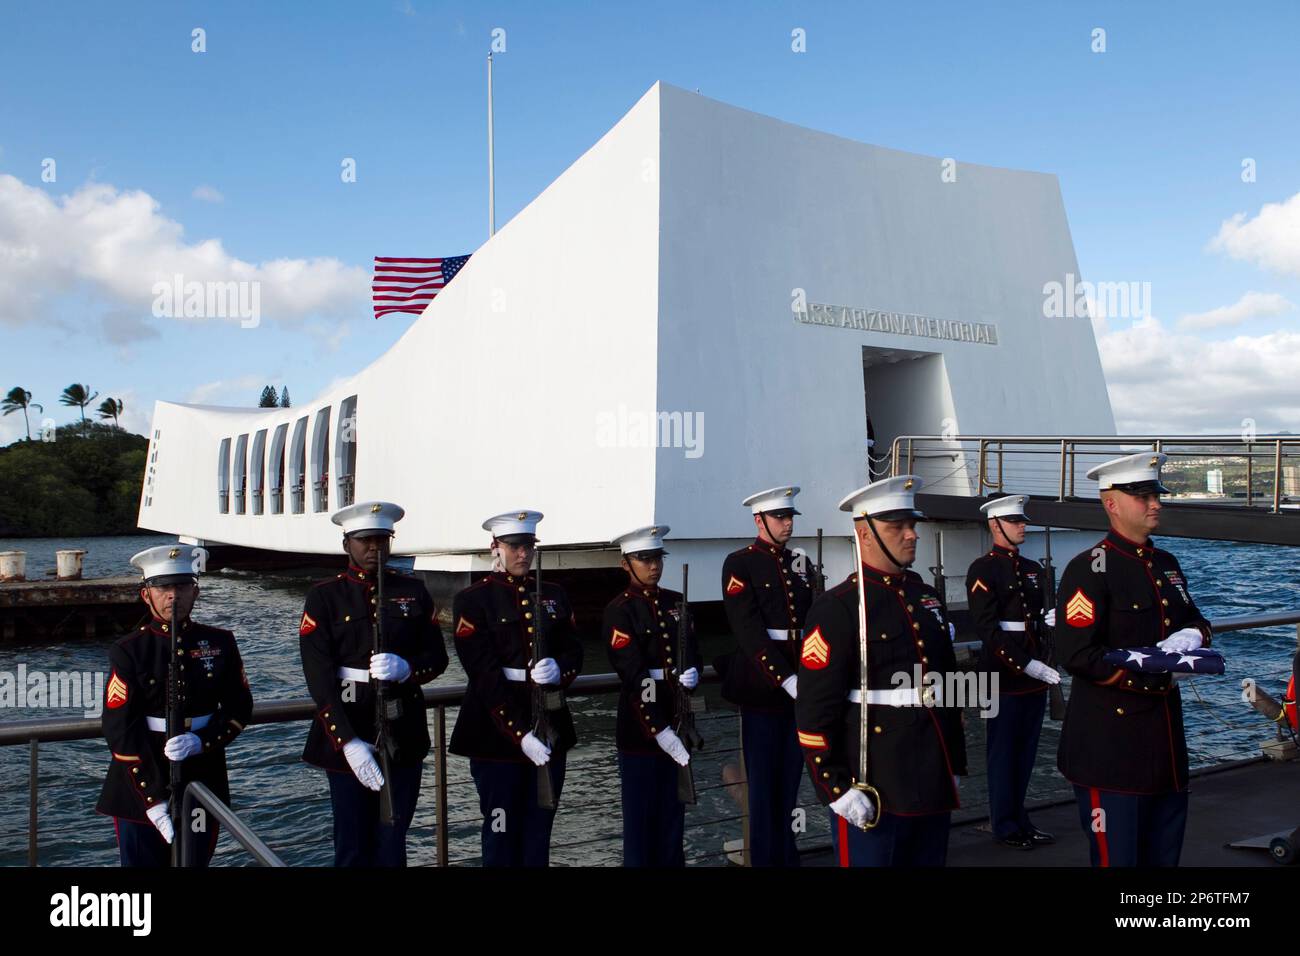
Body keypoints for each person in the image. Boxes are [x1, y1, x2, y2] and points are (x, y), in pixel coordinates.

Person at [796, 476, 967, 866]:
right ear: (865, 533)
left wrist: (954, 762)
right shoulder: (837, 608)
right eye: (897, 527)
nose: (912, 535)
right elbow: (812, 712)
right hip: (874, 781)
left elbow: (947, 683)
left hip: (931, 771)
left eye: (912, 525)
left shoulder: (925, 597)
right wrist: (836, 789)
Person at [1056, 453, 1212, 867]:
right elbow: (1076, 653)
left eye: (1155, 494)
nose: (1155, 503)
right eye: (1142, 496)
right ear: (1111, 503)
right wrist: (1154, 677)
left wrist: (1193, 632)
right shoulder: (1088, 570)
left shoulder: (1166, 564)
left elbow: (1194, 616)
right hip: (1112, 748)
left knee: (1164, 857)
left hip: (1164, 746)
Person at [298, 500, 448, 866]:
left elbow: (438, 658)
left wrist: (407, 669)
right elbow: (318, 675)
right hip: (350, 726)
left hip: (403, 729)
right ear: (347, 543)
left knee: (393, 840)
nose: (374, 548)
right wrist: (346, 740)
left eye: (382, 539)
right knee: (352, 844)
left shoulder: (414, 591)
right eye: (365, 540)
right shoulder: (325, 596)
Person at [97, 544, 253, 867]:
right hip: (140, 782)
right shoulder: (129, 650)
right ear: (146, 595)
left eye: (182, 586)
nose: (173, 595)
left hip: (203, 773)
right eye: (163, 587)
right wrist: (152, 799)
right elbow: (119, 727)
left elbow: (239, 707)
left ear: (195, 592)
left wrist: (203, 740)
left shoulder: (220, 642)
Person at [449, 510, 584, 866]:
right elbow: (484, 674)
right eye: (514, 546)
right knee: (501, 833)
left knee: (539, 833)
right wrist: (520, 733)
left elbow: (574, 649)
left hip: (550, 725)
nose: (523, 553)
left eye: (528, 545)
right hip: (497, 737)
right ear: (495, 547)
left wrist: (560, 669)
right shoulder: (473, 600)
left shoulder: (554, 594)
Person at [719, 485, 814, 866]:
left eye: (790, 517)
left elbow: (813, 622)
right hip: (764, 688)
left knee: (791, 780)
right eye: (780, 517)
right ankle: (765, 858)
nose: (787, 523)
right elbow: (748, 630)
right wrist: (785, 678)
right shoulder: (739, 563)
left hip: (802, 684)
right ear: (760, 521)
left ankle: (787, 855)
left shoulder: (800, 562)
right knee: (762, 786)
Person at [604, 524, 702, 866]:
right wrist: (659, 729)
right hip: (641, 732)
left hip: (678, 719)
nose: (653, 566)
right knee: (642, 827)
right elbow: (633, 674)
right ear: (626, 564)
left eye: (657, 557)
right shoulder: (620, 610)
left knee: (673, 826)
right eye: (644, 559)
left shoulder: (676, 602)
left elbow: (693, 653)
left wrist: (693, 672)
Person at [965, 494, 1059, 850]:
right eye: (1015, 521)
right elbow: (988, 629)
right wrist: (1025, 663)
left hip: (1034, 675)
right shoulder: (983, 569)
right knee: (1003, 754)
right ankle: (1004, 824)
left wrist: (1045, 622)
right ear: (995, 525)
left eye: (1022, 521)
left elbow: (1033, 618)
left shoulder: (1032, 568)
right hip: (1003, 676)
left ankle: (1021, 817)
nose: (1022, 526)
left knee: (1026, 752)